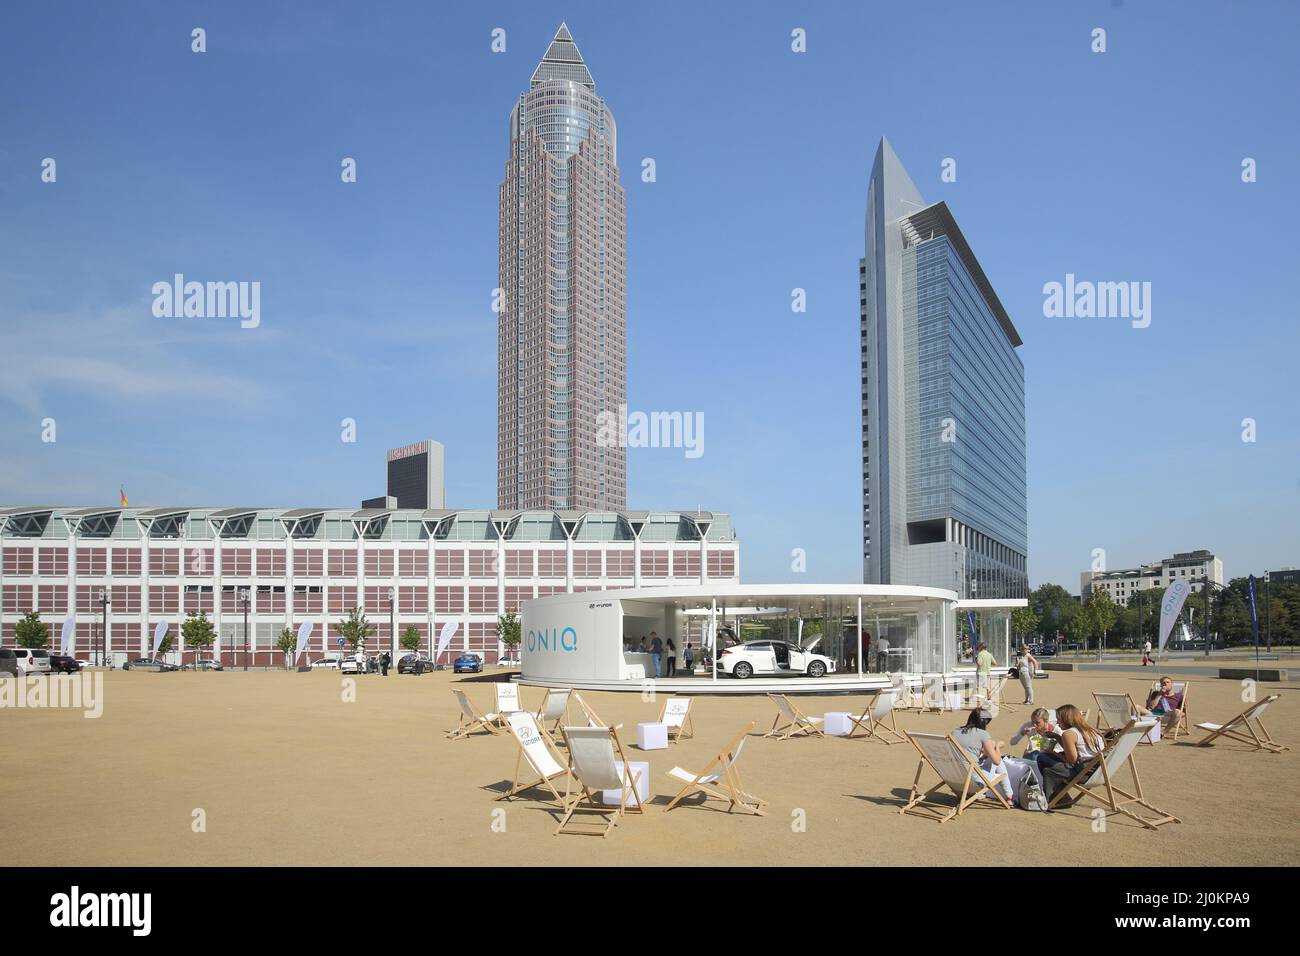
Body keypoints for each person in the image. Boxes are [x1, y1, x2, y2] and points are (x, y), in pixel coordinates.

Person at [1036, 703, 1104, 806]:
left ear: (1065, 719)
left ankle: (1059, 798)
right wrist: (1057, 737)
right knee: (1048, 771)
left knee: (1043, 757)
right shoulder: (1093, 731)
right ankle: (1060, 797)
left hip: (1083, 774)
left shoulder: (1069, 734)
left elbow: (1072, 760)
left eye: (1059, 719)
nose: (1057, 723)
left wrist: (1053, 753)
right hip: (1100, 772)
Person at [951, 708, 1013, 800]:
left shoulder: (955, 732)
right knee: (999, 763)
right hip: (974, 782)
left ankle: (1009, 795)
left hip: (954, 779)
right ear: (983, 721)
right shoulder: (982, 734)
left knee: (987, 759)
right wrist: (997, 747)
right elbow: (997, 761)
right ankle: (1009, 796)